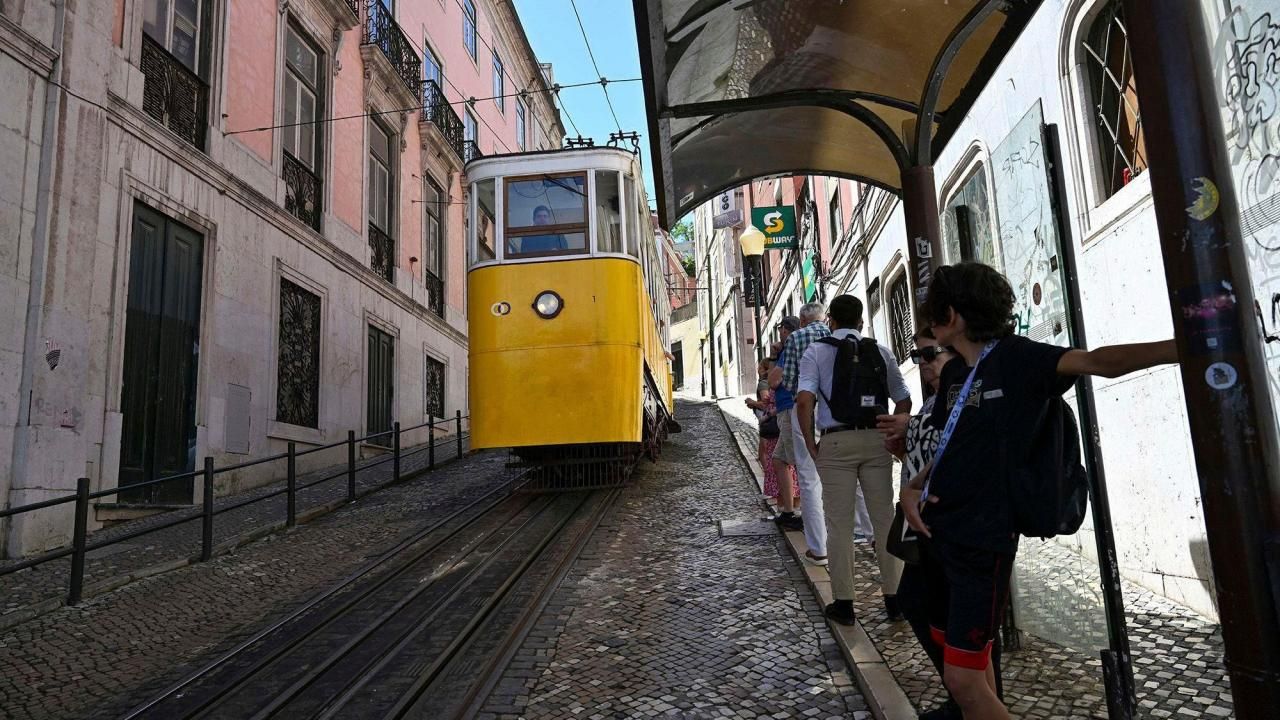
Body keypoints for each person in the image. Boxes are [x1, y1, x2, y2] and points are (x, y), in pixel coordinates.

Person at [900, 263, 1177, 720]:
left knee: (962, 680)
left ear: (953, 315)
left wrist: (1179, 347)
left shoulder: (1019, 359)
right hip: (938, 534)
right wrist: (912, 487)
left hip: (981, 542)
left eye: (934, 311)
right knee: (974, 667)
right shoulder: (952, 377)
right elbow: (954, 445)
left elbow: (1098, 362)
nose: (928, 323)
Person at [877, 330, 979, 720]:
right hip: (928, 525)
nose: (924, 365)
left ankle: (970, 700)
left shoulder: (967, 392)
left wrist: (911, 429)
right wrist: (902, 444)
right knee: (923, 604)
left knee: (949, 614)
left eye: (930, 354)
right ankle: (963, 697)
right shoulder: (935, 400)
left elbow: (957, 448)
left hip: (958, 526)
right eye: (918, 356)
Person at [796, 295, 911, 625]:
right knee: (883, 519)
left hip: (836, 442)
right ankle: (895, 600)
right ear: (861, 321)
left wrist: (811, 444)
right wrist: (892, 434)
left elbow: (805, 402)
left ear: (830, 319)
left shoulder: (816, 351)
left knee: (839, 524)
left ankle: (845, 605)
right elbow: (903, 400)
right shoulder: (881, 351)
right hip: (876, 440)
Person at [772, 303, 831, 565]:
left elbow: (787, 379)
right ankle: (864, 534)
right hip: (834, 409)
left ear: (803, 322)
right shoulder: (833, 335)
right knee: (840, 470)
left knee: (808, 477)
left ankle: (819, 548)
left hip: (803, 408)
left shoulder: (795, 338)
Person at [767, 317, 802, 529]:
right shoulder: (785, 351)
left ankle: (806, 512)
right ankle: (789, 511)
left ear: (785, 331)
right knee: (779, 458)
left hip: (789, 408)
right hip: (785, 408)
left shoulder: (789, 350)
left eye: (780, 329)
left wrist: (774, 356)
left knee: (799, 461)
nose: (779, 333)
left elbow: (772, 381)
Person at [746, 358, 787, 500]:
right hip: (777, 421)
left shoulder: (764, 383)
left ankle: (775, 488)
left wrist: (752, 403)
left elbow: (766, 403)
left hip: (771, 423)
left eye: (761, 367)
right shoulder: (779, 381)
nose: (759, 369)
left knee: (769, 453)